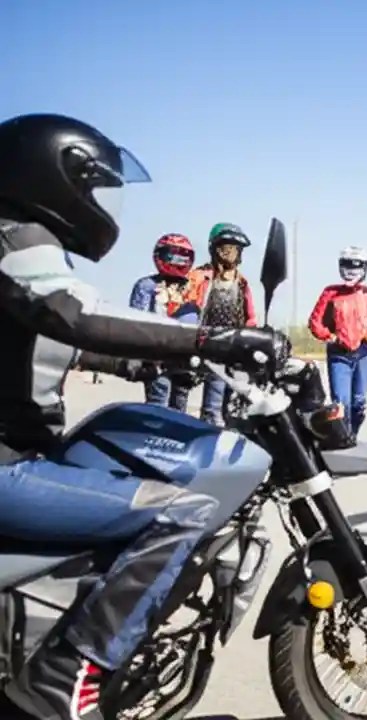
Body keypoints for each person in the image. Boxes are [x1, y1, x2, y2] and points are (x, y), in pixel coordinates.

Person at [0, 113, 289, 720]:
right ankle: (68, 676)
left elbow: (54, 338)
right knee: (183, 511)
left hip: (19, 456)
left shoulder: (22, 245)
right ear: (54, 177)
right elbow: (74, 316)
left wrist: (142, 366)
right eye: (94, 187)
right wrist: (210, 342)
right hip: (7, 469)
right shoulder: (14, 237)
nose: (100, 204)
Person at [308, 246, 367, 439]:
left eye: (356, 265)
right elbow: (315, 322)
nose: (351, 269)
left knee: (359, 402)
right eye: (347, 265)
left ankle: (352, 434)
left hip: (364, 354)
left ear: (364, 268)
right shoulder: (330, 293)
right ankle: (343, 437)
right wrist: (330, 337)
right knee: (341, 402)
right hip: (339, 354)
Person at [184, 223, 258, 427]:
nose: (230, 252)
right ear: (214, 249)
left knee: (234, 398)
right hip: (207, 343)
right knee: (209, 401)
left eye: (235, 248)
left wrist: (252, 340)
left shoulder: (242, 282)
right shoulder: (199, 277)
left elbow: (250, 316)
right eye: (226, 247)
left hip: (234, 345)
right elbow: (187, 309)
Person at [127, 233, 200, 412]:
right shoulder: (147, 285)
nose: (177, 261)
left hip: (185, 359)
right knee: (158, 405)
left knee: (179, 407)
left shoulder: (194, 286)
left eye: (182, 256)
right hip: (157, 357)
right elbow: (138, 321)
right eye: (172, 255)